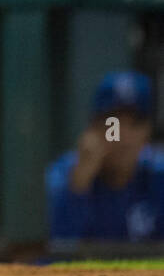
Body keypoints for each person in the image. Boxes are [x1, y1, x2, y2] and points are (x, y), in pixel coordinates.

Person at [47, 71, 164, 241]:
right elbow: (50, 255)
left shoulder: (158, 175)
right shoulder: (64, 176)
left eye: (135, 124)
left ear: (147, 131)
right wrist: (78, 187)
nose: (124, 137)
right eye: (113, 125)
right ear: (94, 128)